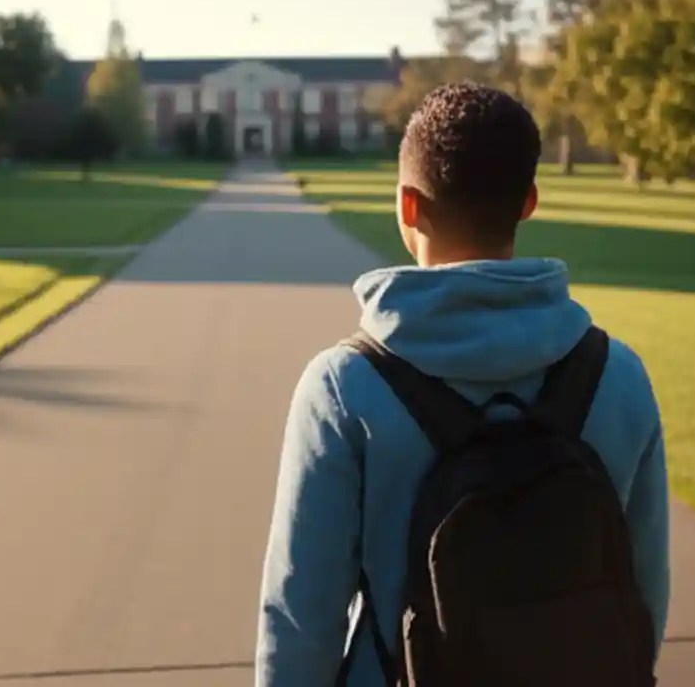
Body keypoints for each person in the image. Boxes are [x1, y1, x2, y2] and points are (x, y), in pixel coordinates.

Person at [256, 83, 670, 686]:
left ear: (407, 206)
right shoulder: (619, 374)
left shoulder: (344, 387)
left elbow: (301, 617)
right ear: (528, 202)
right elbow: (644, 596)